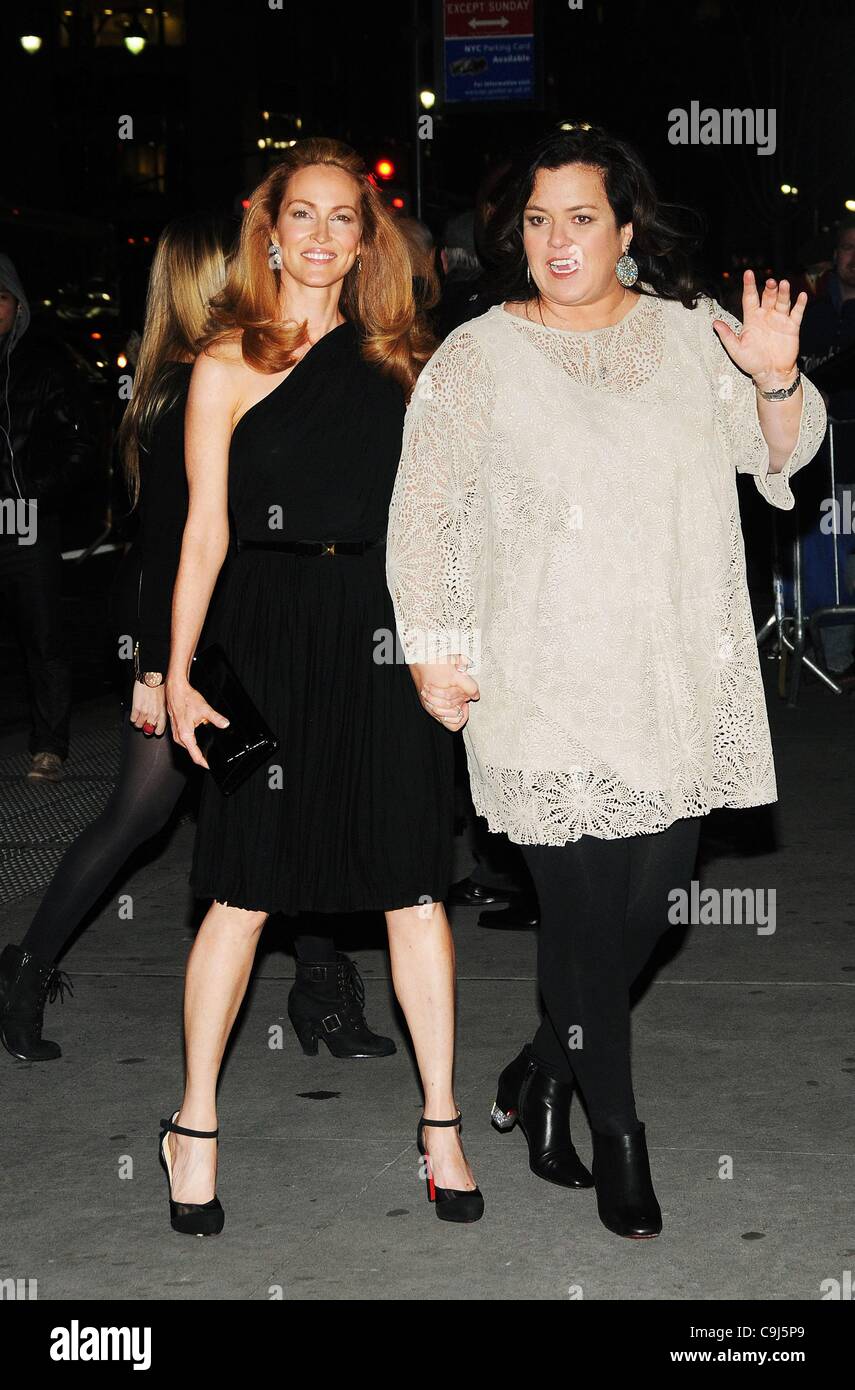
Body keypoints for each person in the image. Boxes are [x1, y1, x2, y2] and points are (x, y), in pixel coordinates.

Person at [386, 125, 826, 1239]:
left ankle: (544, 1067)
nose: (557, 239)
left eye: (582, 217)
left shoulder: (690, 341)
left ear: (628, 230)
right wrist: (434, 643)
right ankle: (619, 1133)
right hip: (537, 680)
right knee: (582, 922)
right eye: (537, 220)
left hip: (669, 673)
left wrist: (775, 379)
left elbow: (777, 455)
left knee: (648, 907)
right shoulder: (478, 354)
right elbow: (426, 508)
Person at [161, 139, 482, 1236]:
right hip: (257, 643)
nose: (321, 235)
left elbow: (438, 526)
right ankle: (193, 1122)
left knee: (414, 886)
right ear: (271, 226)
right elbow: (203, 532)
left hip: (381, 638)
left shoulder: (404, 361)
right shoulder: (223, 362)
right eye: (303, 213)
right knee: (242, 887)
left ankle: (441, 1124)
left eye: (344, 218)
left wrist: (447, 647)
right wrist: (180, 675)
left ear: (364, 239)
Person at [0, 217, 231, 1060]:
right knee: (138, 816)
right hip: (195, 643)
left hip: (220, 631)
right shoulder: (181, 387)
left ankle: (320, 990)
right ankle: (24, 969)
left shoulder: (202, 372)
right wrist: (153, 663)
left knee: (269, 813)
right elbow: (162, 540)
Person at [0, 255, 95, 782]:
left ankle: (50, 746)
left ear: (19, 306)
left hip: (25, 522)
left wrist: (35, 493)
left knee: (43, 637)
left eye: (1, 297)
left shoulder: (44, 367)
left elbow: (83, 444)